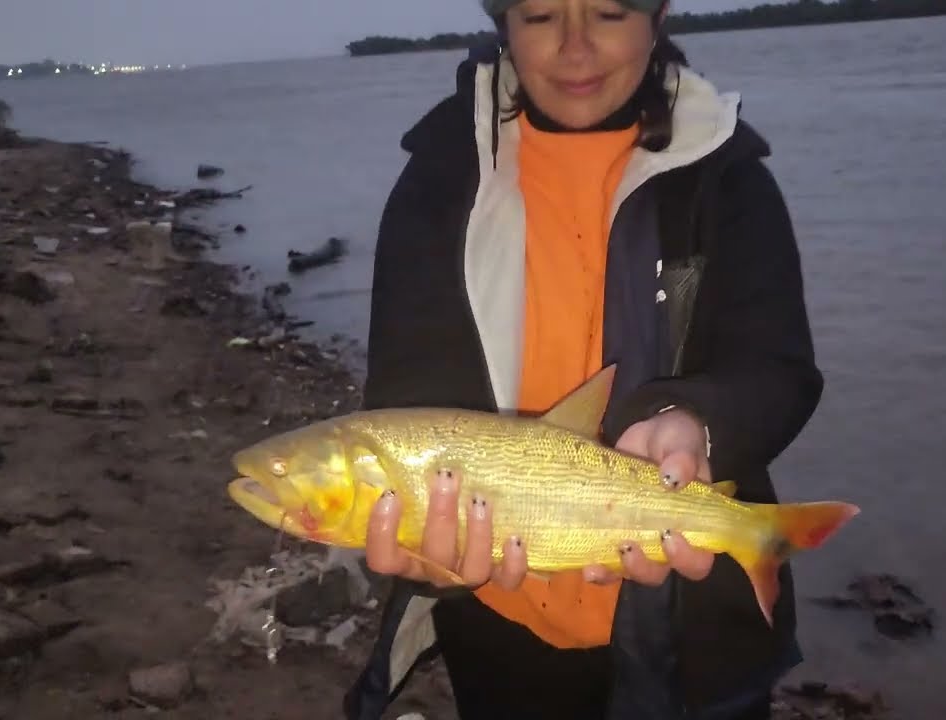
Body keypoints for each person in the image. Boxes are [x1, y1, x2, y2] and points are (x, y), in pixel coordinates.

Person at [345, 1, 826, 718]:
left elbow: (778, 369)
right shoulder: (441, 180)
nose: (575, 49)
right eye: (540, 15)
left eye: (607, 12)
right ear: (504, 23)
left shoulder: (726, 179)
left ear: (657, 16)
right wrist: (424, 534)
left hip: (692, 623)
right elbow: (407, 387)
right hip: (500, 620)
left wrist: (698, 423)